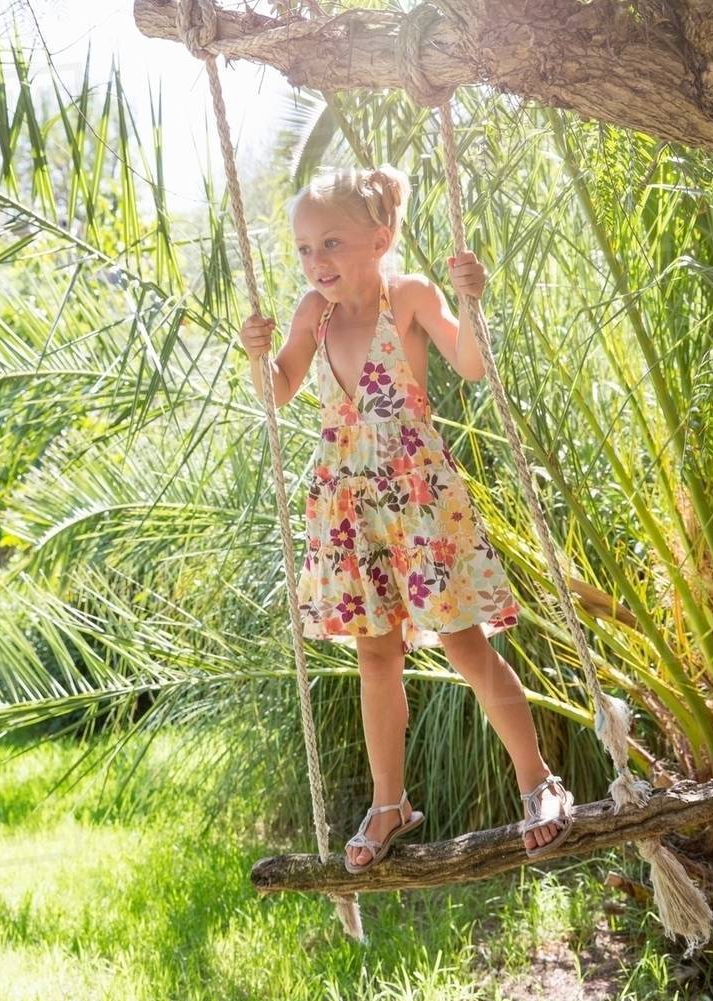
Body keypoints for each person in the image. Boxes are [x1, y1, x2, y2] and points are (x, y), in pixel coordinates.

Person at [240, 164, 574, 874]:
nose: (314, 262)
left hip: (417, 500)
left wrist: (469, 302)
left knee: (464, 646)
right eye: (303, 248)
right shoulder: (312, 313)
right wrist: (256, 355)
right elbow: (280, 392)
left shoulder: (411, 296)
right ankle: (390, 805)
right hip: (348, 507)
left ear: (379, 238)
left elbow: (471, 366)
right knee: (375, 654)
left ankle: (537, 779)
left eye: (330, 244)